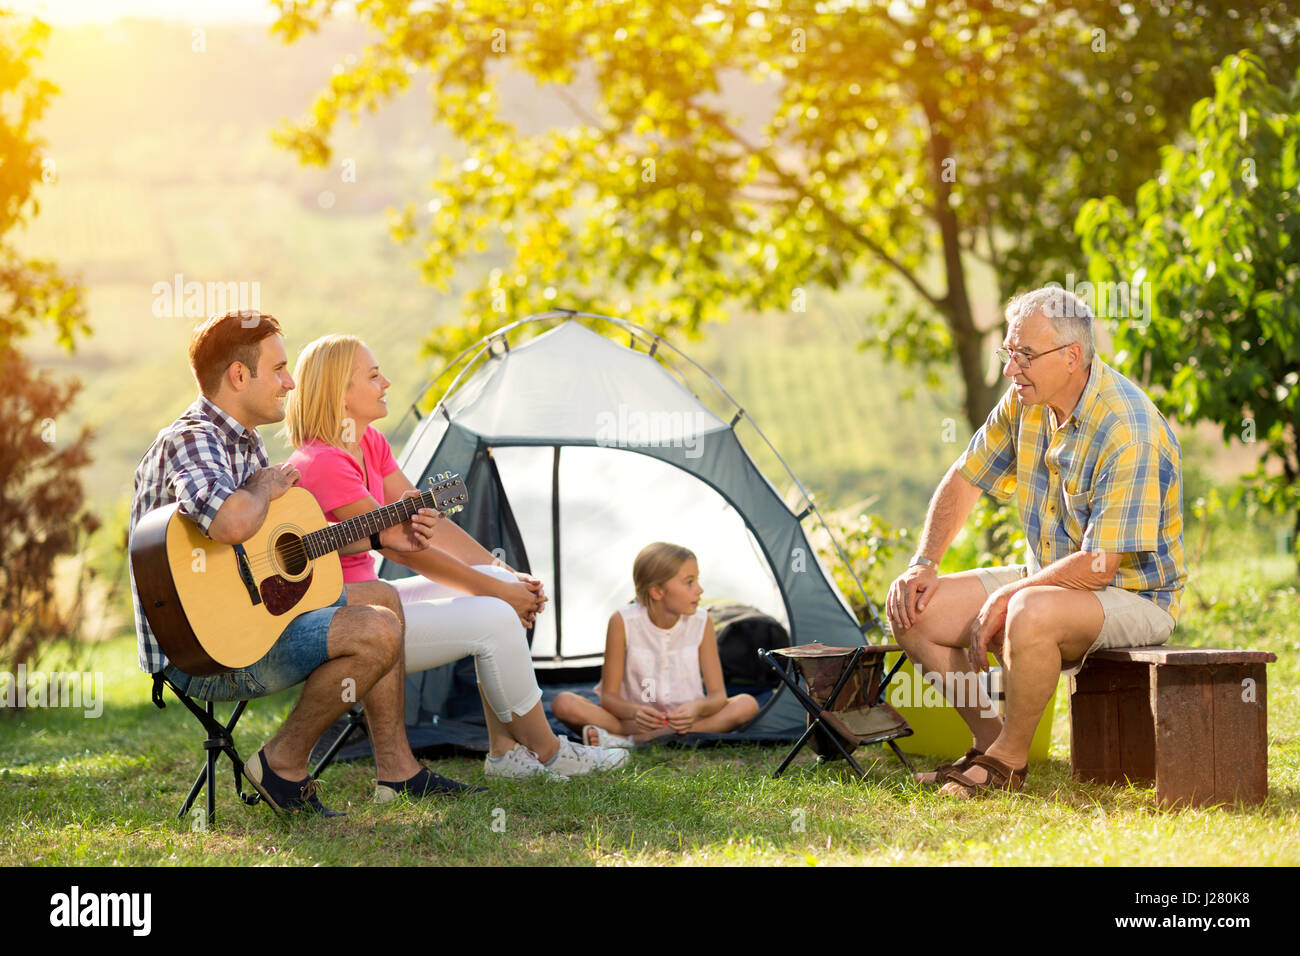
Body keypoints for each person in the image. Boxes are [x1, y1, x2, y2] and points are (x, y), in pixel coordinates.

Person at [129, 310, 479, 818]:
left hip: (248, 619)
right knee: (376, 631)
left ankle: (399, 772)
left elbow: (260, 555)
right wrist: (263, 486)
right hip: (203, 652)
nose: (289, 382)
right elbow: (229, 525)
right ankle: (282, 764)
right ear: (238, 376)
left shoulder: (244, 442)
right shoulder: (193, 437)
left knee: (382, 598)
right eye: (278, 369)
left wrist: (381, 532)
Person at [282, 334, 628, 780]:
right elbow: (399, 547)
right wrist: (497, 591)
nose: (386, 382)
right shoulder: (323, 462)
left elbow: (423, 522)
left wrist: (503, 573)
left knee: (498, 592)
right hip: (345, 617)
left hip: (374, 599)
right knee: (496, 615)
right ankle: (549, 752)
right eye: (372, 376)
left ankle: (506, 754)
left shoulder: (369, 443)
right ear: (340, 392)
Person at [884, 287, 1186, 797]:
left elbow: (1096, 567)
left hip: (1136, 595)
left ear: (1071, 357)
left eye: (1024, 355)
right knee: (915, 608)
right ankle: (992, 747)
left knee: (1027, 609)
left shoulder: (1128, 428)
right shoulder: (1026, 401)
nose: (1010, 369)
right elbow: (965, 478)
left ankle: (1009, 759)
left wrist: (1009, 596)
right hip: (1047, 580)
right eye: (1008, 353)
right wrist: (923, 563)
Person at [551, 542, 760, 746]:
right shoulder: (622, 622)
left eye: (697, 580)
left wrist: (696, 708)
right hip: (634, 723)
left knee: (747, 705)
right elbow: (609, 698)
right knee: (564, 703)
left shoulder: (701, 621)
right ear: (657, 592)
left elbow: (717, 696)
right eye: (689, 582)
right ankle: (653, 736)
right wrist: (636, 713)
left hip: (688, 722)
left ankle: (633, 741)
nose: (700, 589)